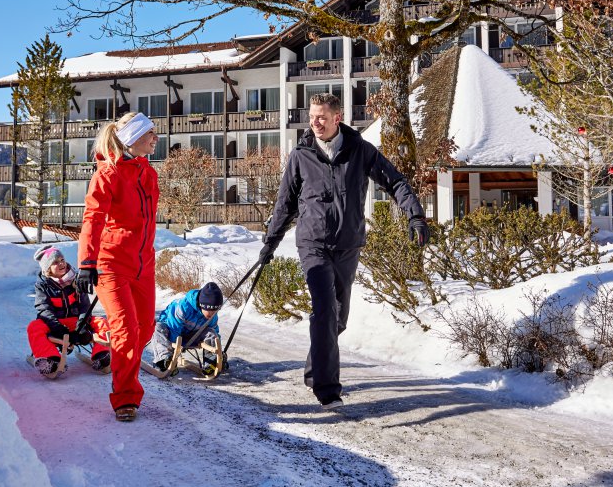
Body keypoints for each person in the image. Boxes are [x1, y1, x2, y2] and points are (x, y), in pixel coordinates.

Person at [258, 93, 429, 409]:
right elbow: (285, 203)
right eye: (312, 116)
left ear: (338, 118)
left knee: (338, 319)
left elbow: (395, 182)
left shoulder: (360, 151)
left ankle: (314, 370)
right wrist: (271, 241)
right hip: (313, 244)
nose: (315, 122)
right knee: (324, 310)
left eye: (321, 116)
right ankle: (327, 388)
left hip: (348, 245)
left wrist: (415, 215)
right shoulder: (301, 155)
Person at [78, 111, 160, 422]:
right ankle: (125, 396)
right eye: (150, 133)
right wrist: (87, 262)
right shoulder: (108, 174)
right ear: (132, 138)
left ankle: (112, 343)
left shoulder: (147, 172)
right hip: (111, 264)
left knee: (146, 328)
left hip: (144, 264)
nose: (155, 138)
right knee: (126, 330)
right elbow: (93, 219)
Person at [27, 245, 111, 377]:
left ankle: (101, 355)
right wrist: (58, 329)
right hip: (56, 324)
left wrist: (82, 326)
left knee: (101, 322)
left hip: (77, 321)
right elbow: (44, 309)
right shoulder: (42, 286)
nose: (61, 263)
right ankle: (51, 360)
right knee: (34, 327)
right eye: (55, 262)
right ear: (47, 269)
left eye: (62, 259)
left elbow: (85, 306)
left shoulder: (76, 280)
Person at [151, 281, 225, 376]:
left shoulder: (212, 316)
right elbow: (174, 327)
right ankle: (165, 360)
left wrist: (219, 352)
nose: (212, 314)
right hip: (171, 331)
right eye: (210, 311)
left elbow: (215, 334)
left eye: (215, 311)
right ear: (202, 305)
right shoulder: (184, 307)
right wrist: (175, 351)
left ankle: (211, 362)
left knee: (211, 332)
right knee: (157, 327)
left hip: (192, 336)